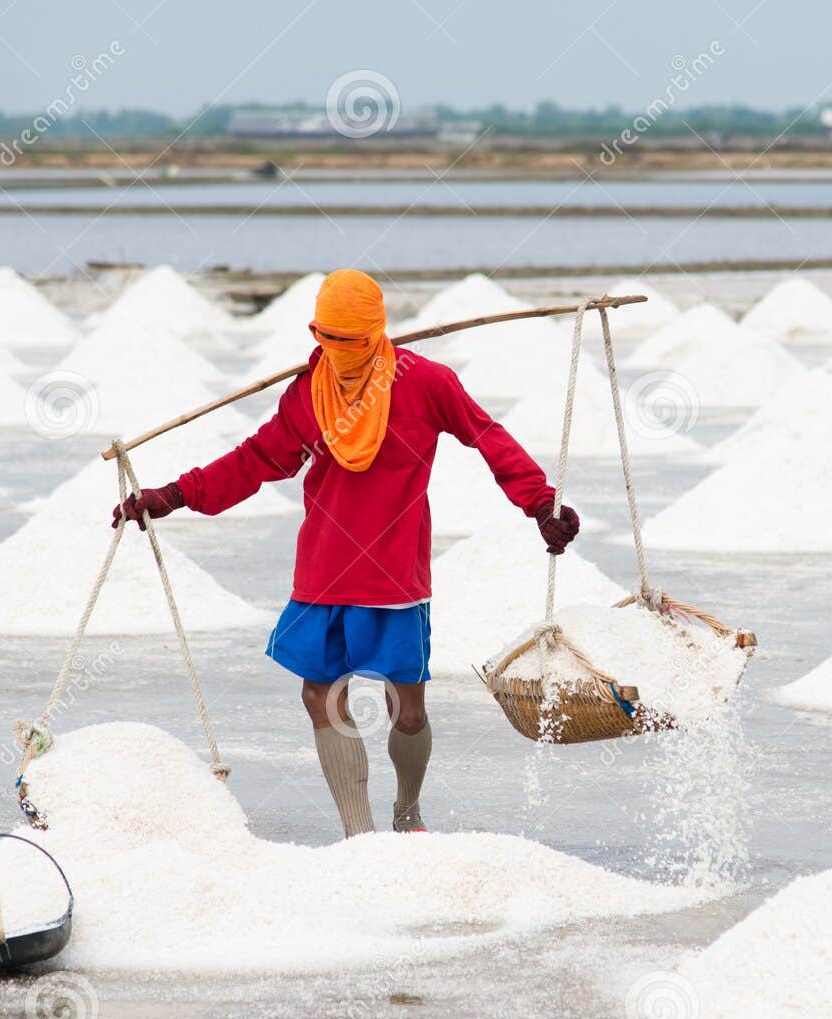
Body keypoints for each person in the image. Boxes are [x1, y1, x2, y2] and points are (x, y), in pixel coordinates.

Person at [112, 269, 579, 837]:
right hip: (325, 571)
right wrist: (174, 495)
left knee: (407, 707)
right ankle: (359, 834)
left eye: (352, 341)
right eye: (327, 340)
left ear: (376, 331)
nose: (340, 353)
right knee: (321, 696)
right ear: (315, 332)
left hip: (395, 572)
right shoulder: (306, 396)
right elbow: (253, 461)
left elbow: (488, 437)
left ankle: (407, 812)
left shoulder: (426, 382)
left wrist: (540, 503)